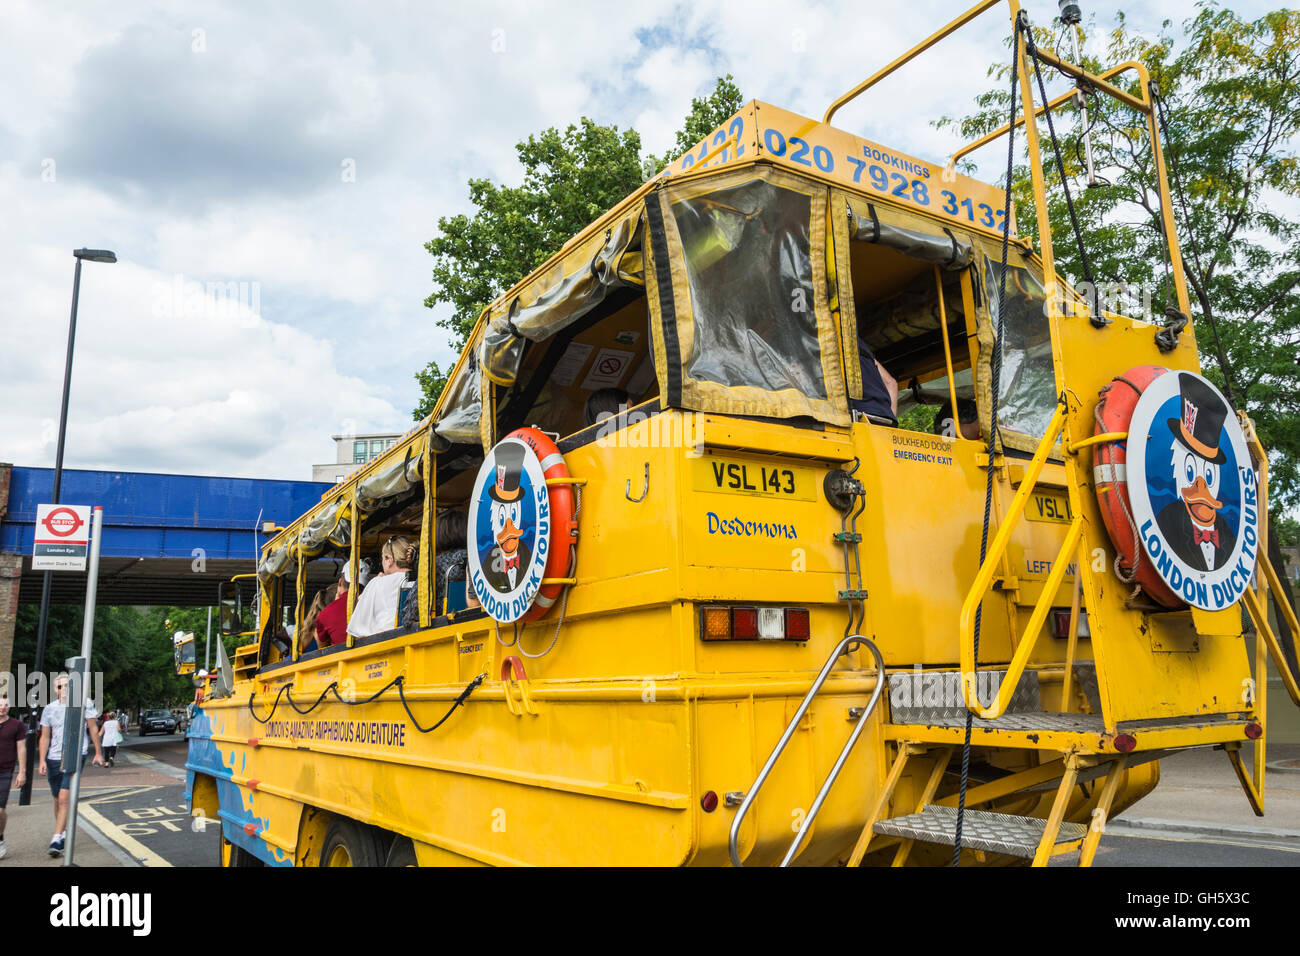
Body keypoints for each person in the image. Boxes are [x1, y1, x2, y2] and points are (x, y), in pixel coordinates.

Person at [38, 673, 103, 857]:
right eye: (60, 687)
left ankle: (57, 837)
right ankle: (63, 831)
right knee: (57, 798)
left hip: (76, 754)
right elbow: (45, 736)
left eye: (67, 685)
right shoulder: (50, 709)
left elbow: (92, 728)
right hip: (53, 757)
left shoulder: (85, 703)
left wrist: (98, 752)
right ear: (55, 690)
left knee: (65, 798)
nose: (64, 689)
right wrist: (42, 759)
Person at [347, 536, 417, 639]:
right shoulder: (421, 580)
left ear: (389, 560)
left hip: (384, 643)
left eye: (383, 558)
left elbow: (356, 625)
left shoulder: (378, 583)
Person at [0, 692, 28, 861]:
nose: (3, 708)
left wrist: (22, 771)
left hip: (4, 771)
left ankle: (0, 838)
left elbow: (21, 749)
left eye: (6, 705)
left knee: (0, 810)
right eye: (0, 704)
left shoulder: (17, 725)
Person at [850, 334, 898, 425]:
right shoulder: (863, 349)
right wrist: (890, 420)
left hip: (860, 415)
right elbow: (891, 383)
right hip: (886, 419)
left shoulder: (829, 341)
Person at [314, 566, 351, 648]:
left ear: (340, 582)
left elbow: (322, 649)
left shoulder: (325, 615)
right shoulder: (374, 598)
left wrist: (335, 604)